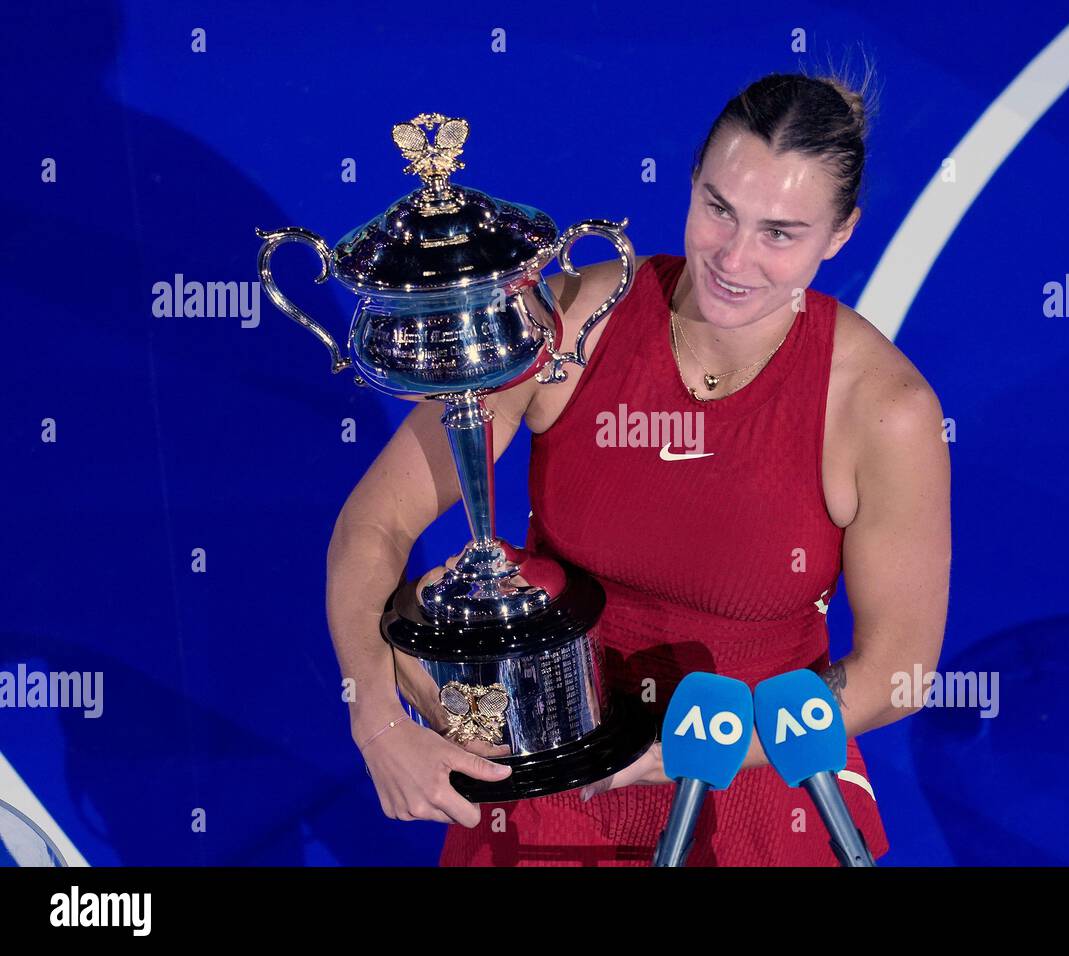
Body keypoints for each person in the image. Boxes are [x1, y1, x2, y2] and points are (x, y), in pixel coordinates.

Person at [326, 67, 952, 866]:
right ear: (691, 182)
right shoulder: (574, 318)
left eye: (781, 233)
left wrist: (710, 749)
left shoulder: (885, 409)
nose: (734, 256)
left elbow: (899, 669)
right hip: (550, 777)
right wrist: (379, 717)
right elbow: (372, 524)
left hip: (751, 803)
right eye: (718, 208)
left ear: (840, 236)